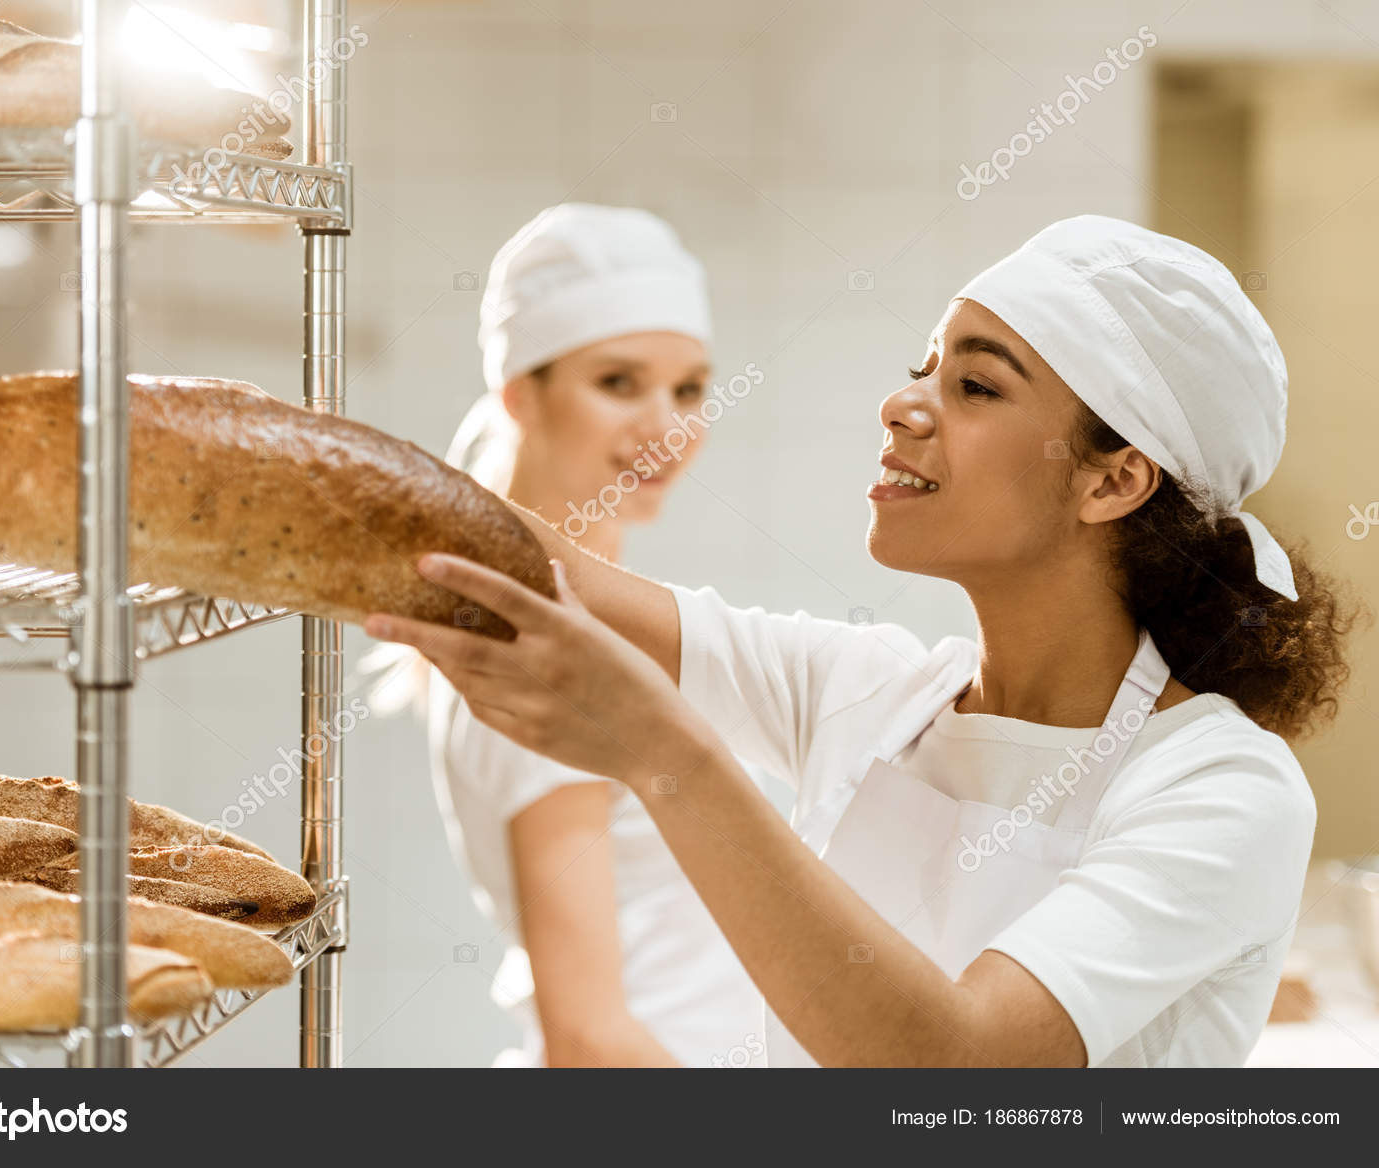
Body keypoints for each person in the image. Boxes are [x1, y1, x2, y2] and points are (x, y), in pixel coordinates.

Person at [366, 215, 1366, 1067]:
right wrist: (274, 454)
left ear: (1111, 480)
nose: (902, 404)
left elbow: (959, 1070)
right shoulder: (872, 689)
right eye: (920, 368)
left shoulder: (1219, 789)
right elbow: (547, 569)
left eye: (976, 387)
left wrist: (663, 753)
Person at [372, 203, 768, 1067]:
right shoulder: (533, 652)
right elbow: (588, 1037)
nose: (667, 427)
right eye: (619, 382)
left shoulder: (584, 620)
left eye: (689, 388)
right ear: (521, 392)